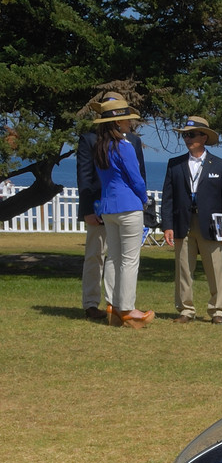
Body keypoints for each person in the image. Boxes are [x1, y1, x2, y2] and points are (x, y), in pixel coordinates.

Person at [77, 92, 147, 321]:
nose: (130, 122)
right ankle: (123, 307)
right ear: (116, 120)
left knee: (114, 258)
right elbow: (135, 178)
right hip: (119, 204)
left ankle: (112, 305)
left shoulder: (109, 144)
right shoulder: (115, 144)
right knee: (121, 258)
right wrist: (143, 198)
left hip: (108, 205)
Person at [161, 115, 222, 324]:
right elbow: (168, 198)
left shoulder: (220, 165)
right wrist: (167, 225)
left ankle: (218, 311)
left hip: (212, 225)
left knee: (215, 268)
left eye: (192, 135)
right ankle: (186, 310)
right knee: (183, 269)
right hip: (182, 223)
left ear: (204, 137)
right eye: (185, 135)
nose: (187, 139)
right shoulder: (174, 164)